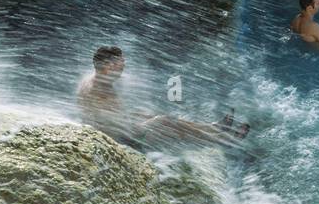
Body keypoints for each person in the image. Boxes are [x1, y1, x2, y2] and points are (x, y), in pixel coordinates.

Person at [76, 45, 249, 147]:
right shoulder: (101, 90)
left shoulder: (92, 80)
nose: (123, 67)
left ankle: (214, 127)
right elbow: (122, 131)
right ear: (107, 66)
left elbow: (106, 117)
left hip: (110, 131)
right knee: (164, 121)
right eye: (120, 64)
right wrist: (149, 124)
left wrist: (141, 118)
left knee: (146, 114)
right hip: (121, 141)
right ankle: (221, 140)